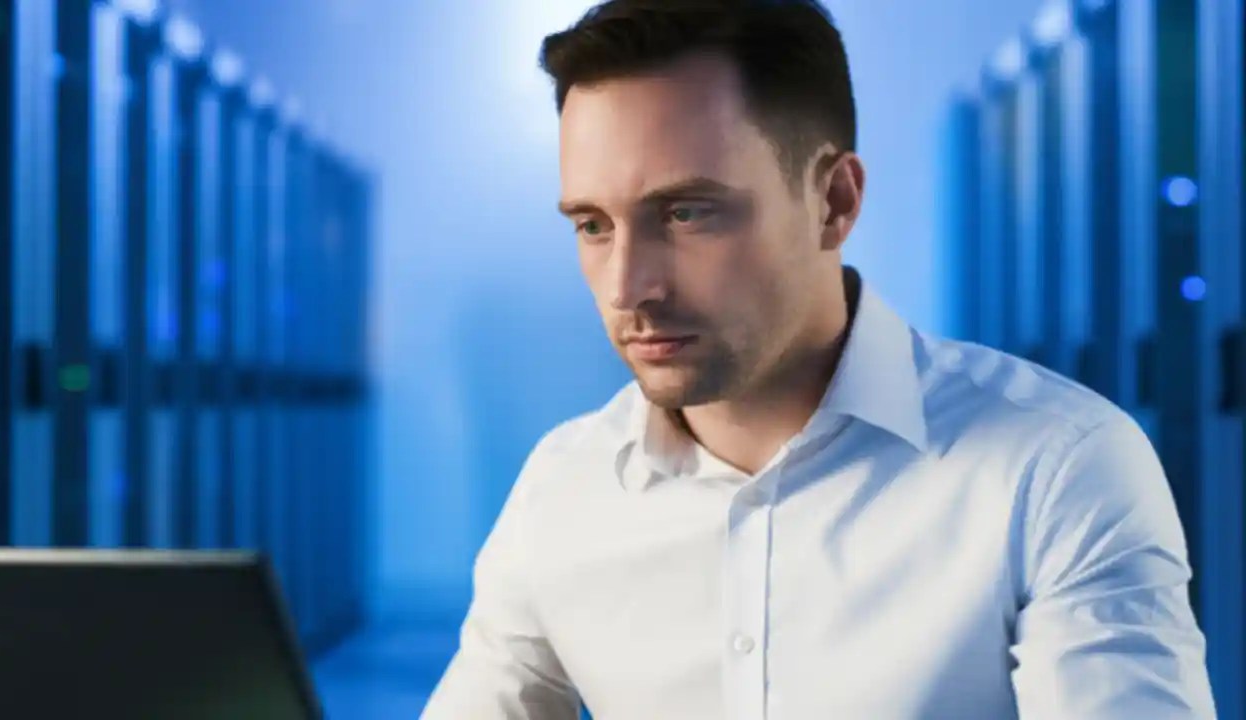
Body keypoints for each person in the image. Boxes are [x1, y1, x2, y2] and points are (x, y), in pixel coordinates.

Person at [421, 0, 1217, 717]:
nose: (629, 286)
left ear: (834, 202)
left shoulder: (1054, 470)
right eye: (593, 225)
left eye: (686, 213)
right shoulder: (563, 490)